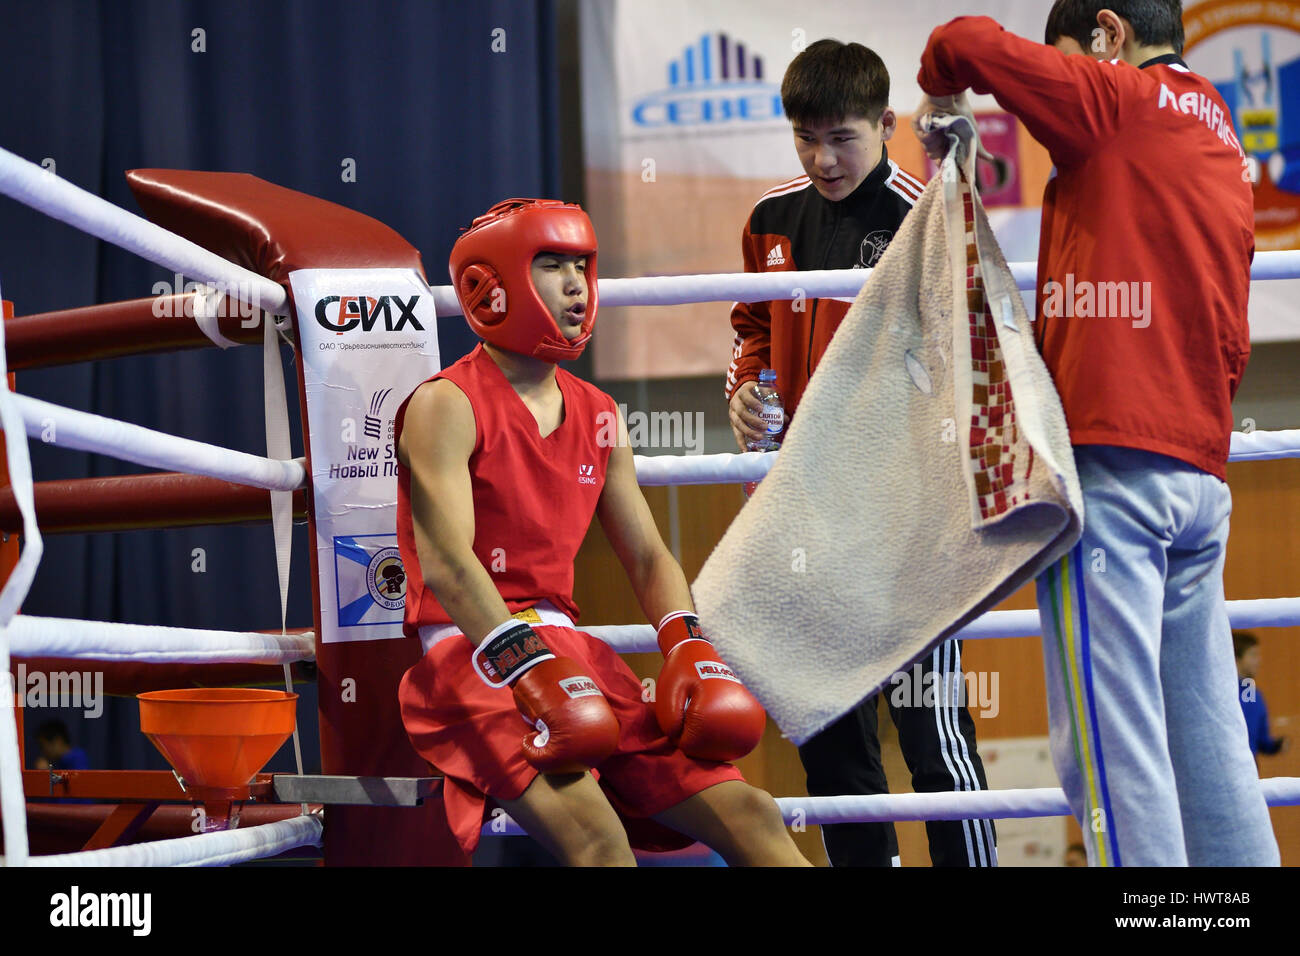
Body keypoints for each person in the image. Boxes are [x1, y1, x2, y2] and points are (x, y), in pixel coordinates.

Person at [915, 2, 1279, 866]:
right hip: (1201, 476)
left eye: (1070, 58)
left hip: (1117, 469)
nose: (1065, 80)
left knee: (1113, 749)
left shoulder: (1118, 101)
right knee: (1208, 737)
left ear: (1109, 37)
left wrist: (941, 99)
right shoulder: (1223, 135)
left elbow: (962, 40)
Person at [395, 198, 810, 867]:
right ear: (489, 285)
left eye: (582, 267)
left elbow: (646, 553)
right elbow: (447, 561)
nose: (574, 286)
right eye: (551, 265)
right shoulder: (446, 403)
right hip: (475, 654)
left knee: (752, 814)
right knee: (598, 841)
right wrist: (521, 657)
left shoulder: (599, 413)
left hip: (574, 653)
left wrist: (683, 639)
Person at [725, 38, 996, 868]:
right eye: (805, 137)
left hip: (906, 506)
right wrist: (744, 389)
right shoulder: (773, 219)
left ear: (884, 124)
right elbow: (752, 329)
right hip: (807, 511)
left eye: (840, 137)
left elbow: (969, 344)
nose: (821, 157)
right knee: (829, 732)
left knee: (933, 732)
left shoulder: (925, 210)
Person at [1234, 631, 1288, 763]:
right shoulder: (1221, 694)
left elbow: (1259, 740)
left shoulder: (1254, 695)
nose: (1258, 661)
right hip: (1225, 770)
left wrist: (1276, 745)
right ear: (1236, 658)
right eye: (1253, 655)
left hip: (1250, 771)